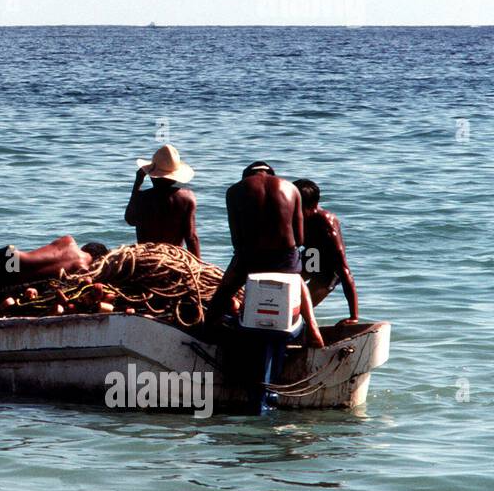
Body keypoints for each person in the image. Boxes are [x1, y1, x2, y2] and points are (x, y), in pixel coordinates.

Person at [203, 162, 323, 346]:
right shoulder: (291, 188)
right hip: (285, 257)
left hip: (251, 256)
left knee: (223, 293)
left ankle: (206, 331)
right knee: (298, 281)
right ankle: (313, 329)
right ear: (271, 174)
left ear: (246, 176)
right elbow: (299, 238)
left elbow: (236, 238)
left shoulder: (235, 190)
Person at [294, 179, 359, 324]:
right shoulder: (295, 218)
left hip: (329, 270)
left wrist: (353, 316)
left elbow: (344, 269)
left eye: (297, 207)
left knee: (300, 308)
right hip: (312, 257)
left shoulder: (326, 223)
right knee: (281, 292)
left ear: (312, 205)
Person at [124, 144, 201, 257]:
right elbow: (191, 237)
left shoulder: (142, 198)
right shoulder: (187, 198)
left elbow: (130, 220)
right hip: (173, 258)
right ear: (175, 177)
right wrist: (198, 268)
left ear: (150, 175)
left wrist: (137, 183)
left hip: (147, 258)